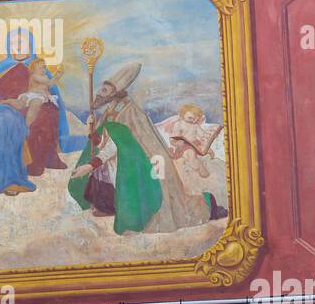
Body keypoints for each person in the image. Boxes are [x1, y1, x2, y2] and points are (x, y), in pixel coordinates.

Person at [68, 62, 221, 235]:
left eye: (104, 91)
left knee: (122, 186)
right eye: (100, 90)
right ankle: (109, 205)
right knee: (102, 178)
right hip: (112, 162)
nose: (98, 94)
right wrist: (93, 126)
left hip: (130, 162)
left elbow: (115, 147)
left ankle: (209, 206)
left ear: (114, 93)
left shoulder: (127, 112)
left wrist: (90, 165)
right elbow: (100, 139)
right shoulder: (111, 108)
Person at [0, 28, 83, 196]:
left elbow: (51, 95)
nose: (16, 47)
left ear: (30, 45)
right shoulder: (2, 67)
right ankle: (6, 180)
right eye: (12, 44)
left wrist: (41, 103)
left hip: (23, 109)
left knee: (21, 120)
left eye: (20, 43)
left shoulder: (37, 68)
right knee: (3, 119)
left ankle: (24, 170)